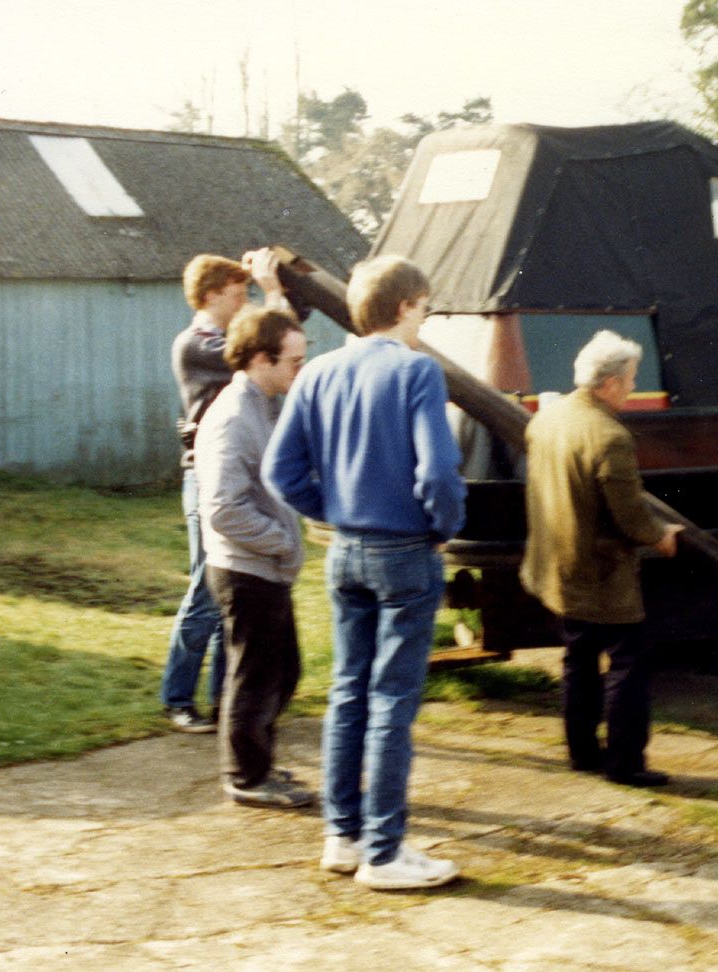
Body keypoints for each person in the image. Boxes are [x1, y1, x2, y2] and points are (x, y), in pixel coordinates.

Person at [264, 254, 466, 890]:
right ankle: (385, 852)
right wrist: (443, 527)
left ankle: (342, 836)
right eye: (426, 308)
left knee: (348, 692)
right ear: (407, 306)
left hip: (343, 550)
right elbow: (437, 473)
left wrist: (335, 511)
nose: (425, 320)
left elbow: (280, 471)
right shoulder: (417, 371)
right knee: (391, 702)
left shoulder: (318, 371)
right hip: (405, 550)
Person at [520, 330, 684, 787]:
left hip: (558, 565)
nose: (632, 387)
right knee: (628, 662)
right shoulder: (611, 437)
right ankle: (626, 763)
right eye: (630, 379)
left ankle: (582, 752)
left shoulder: (547, 419)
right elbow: (631, 517)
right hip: (601, 573)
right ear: (609, 382)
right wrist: (662, 536)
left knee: (578, 657)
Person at [160, 248, 291, 733]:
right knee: (205, 591)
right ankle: (177, 698)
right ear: (211, 296)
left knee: (228, 597)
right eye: (238, 295)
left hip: (234, 474)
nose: (243, 303)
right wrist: (273, 294)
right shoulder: (195, 344)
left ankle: (225, 699)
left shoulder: (221, 337)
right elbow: (259, 349)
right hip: (205, 477)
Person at [196, 306, 312, 808]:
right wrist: (282, 541)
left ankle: (257, 763)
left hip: (265, 569)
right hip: (245, 571)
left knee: (283, 673)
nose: (300, 371)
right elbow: (223, 509)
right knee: (256, 678)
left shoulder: (263, 403)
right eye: (293, 361)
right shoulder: (232, 417)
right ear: (261, 358)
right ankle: (246, 778)